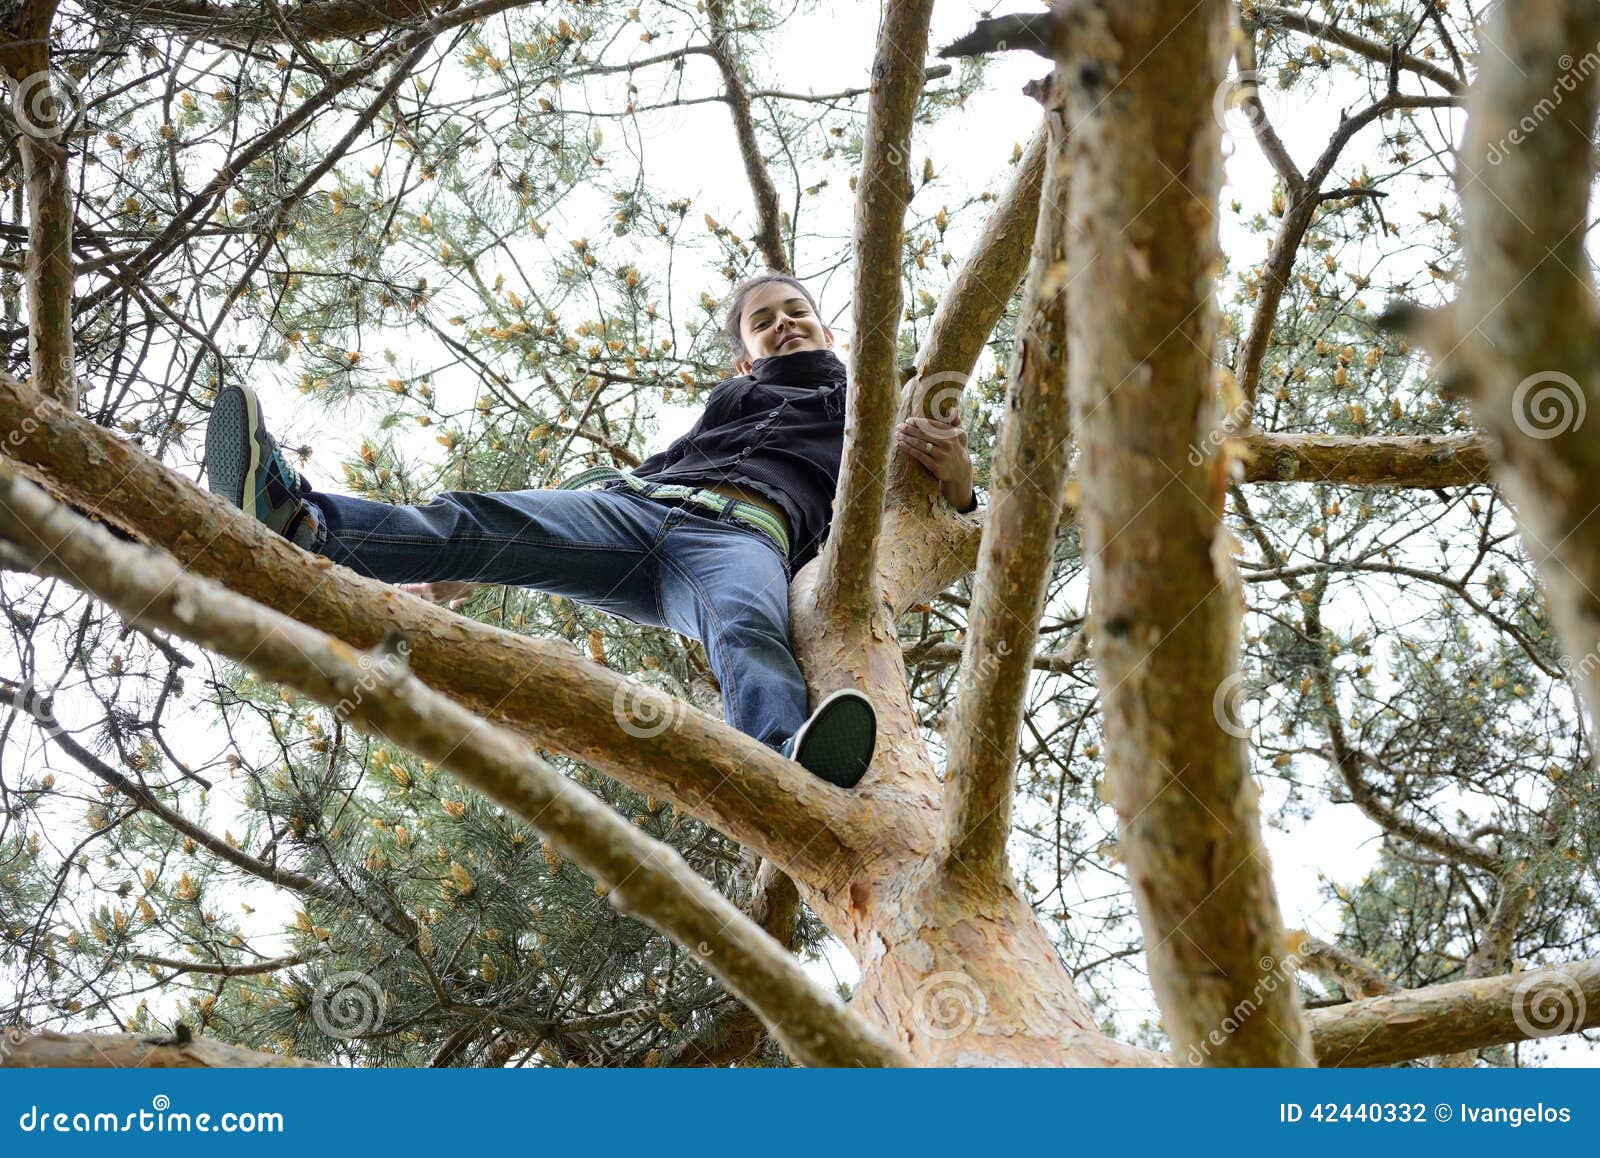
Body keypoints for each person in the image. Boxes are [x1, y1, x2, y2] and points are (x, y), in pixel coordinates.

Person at [202, 272, 978, 788]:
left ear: (828, 330)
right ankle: (298, 520)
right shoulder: (732, 402)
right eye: (763, 322)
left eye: (796, 314)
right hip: (637, 506)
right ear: (743, 359)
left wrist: (958, 475)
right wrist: (455, 575)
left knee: (746, 626)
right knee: (476, 518)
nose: (783, 326)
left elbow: (956, 509)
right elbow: (579, 499)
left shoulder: (872, 400)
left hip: (742, 540)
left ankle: (787, 762)